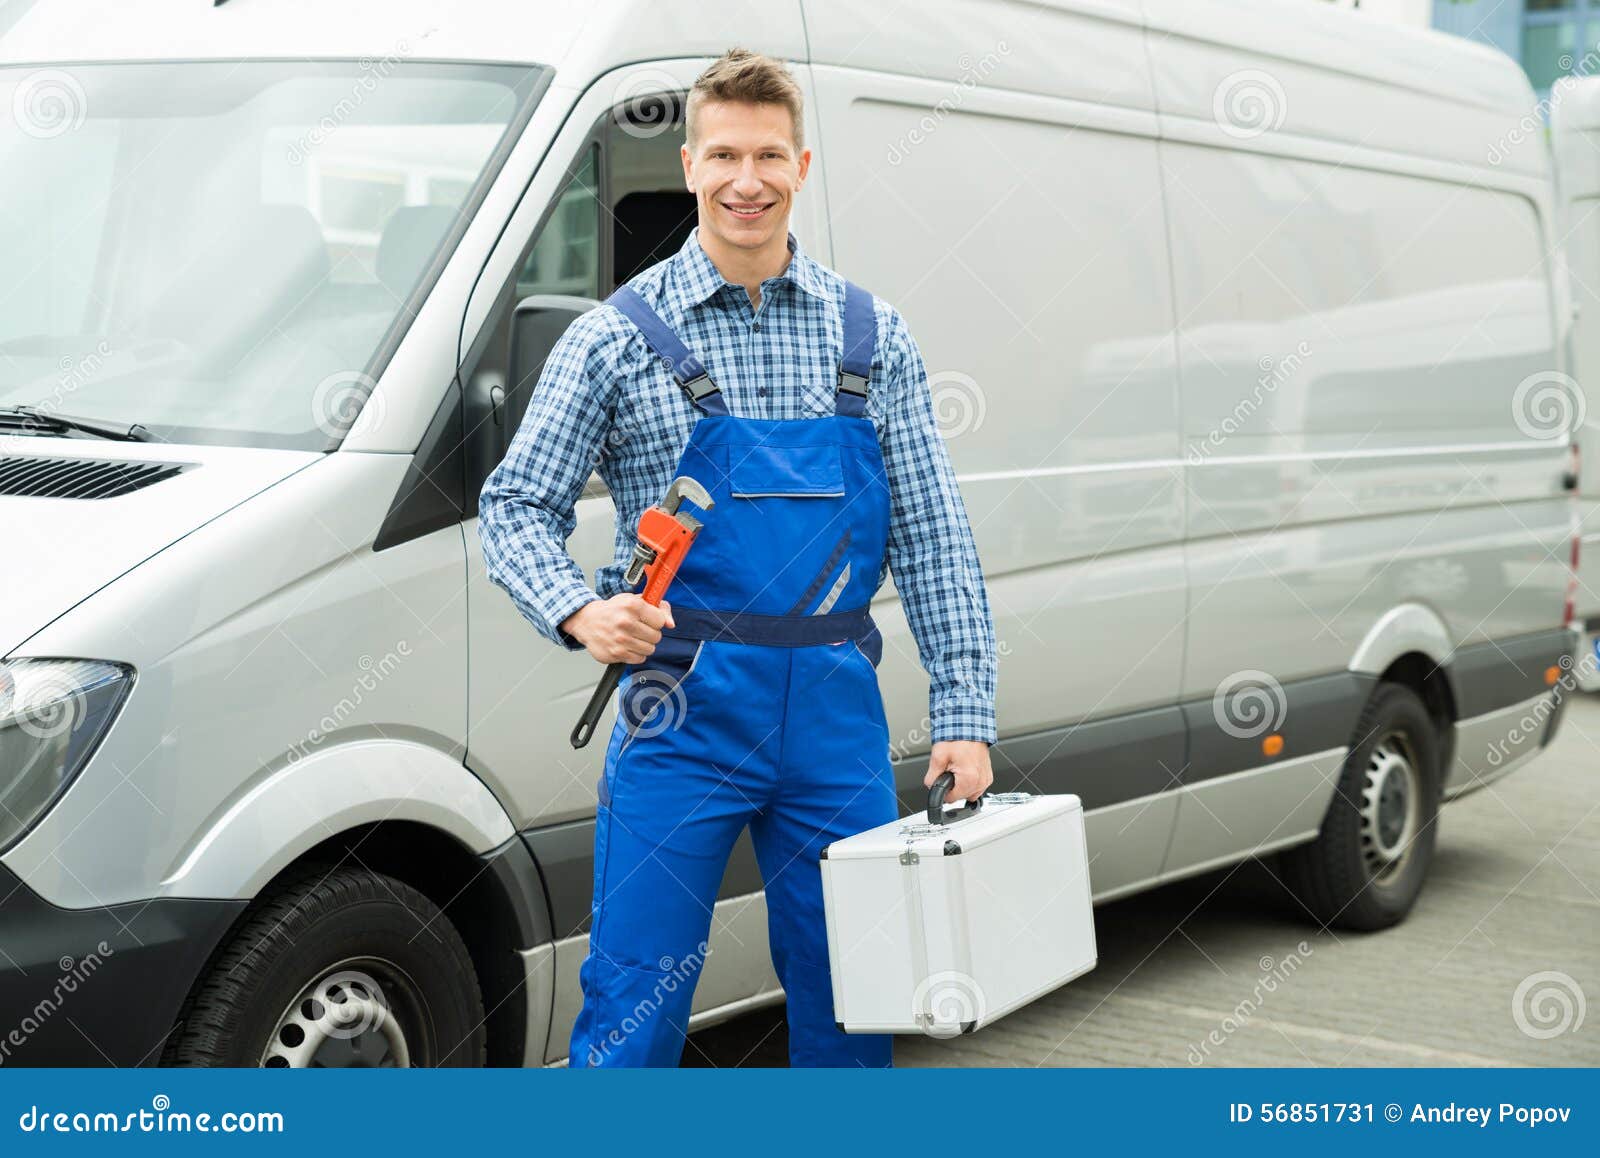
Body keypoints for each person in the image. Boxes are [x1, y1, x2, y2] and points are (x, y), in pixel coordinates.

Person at [479, 47, 997, 1068]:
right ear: (688, 166)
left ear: (801, 167)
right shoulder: (615, 340)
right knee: (634, 994)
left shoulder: (871, 335)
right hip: (680, 708)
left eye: (767, 156)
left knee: (854, 993)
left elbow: (935, 537)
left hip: (835, 722)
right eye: (723, 155)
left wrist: (965, 717)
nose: (745, 180)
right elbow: (514, 506)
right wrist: (580, 613)